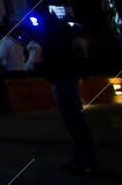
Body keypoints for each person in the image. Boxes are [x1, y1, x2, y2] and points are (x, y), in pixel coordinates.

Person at [40, 15, 97, 174]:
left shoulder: (58, 38)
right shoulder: (64, 36)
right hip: (64, 79)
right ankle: (83, 158)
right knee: (74, 121)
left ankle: (86, 160)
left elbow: (55, 59)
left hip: (63, 80)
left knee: (74, 120)